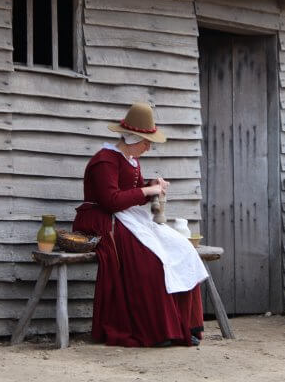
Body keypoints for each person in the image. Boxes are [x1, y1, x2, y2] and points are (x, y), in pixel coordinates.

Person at [73, 102, 207, 347]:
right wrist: (147, 190)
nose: (149, 147)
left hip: (128, 217)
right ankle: (159, 329)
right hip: (103, 219)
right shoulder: (105, 160)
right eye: (146, 142)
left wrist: (150, 185)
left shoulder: (131, 159)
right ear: (133, 138)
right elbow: (110, 201)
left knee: (182, 249)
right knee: (152, 262)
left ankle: (185, 324)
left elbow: (132, 192)